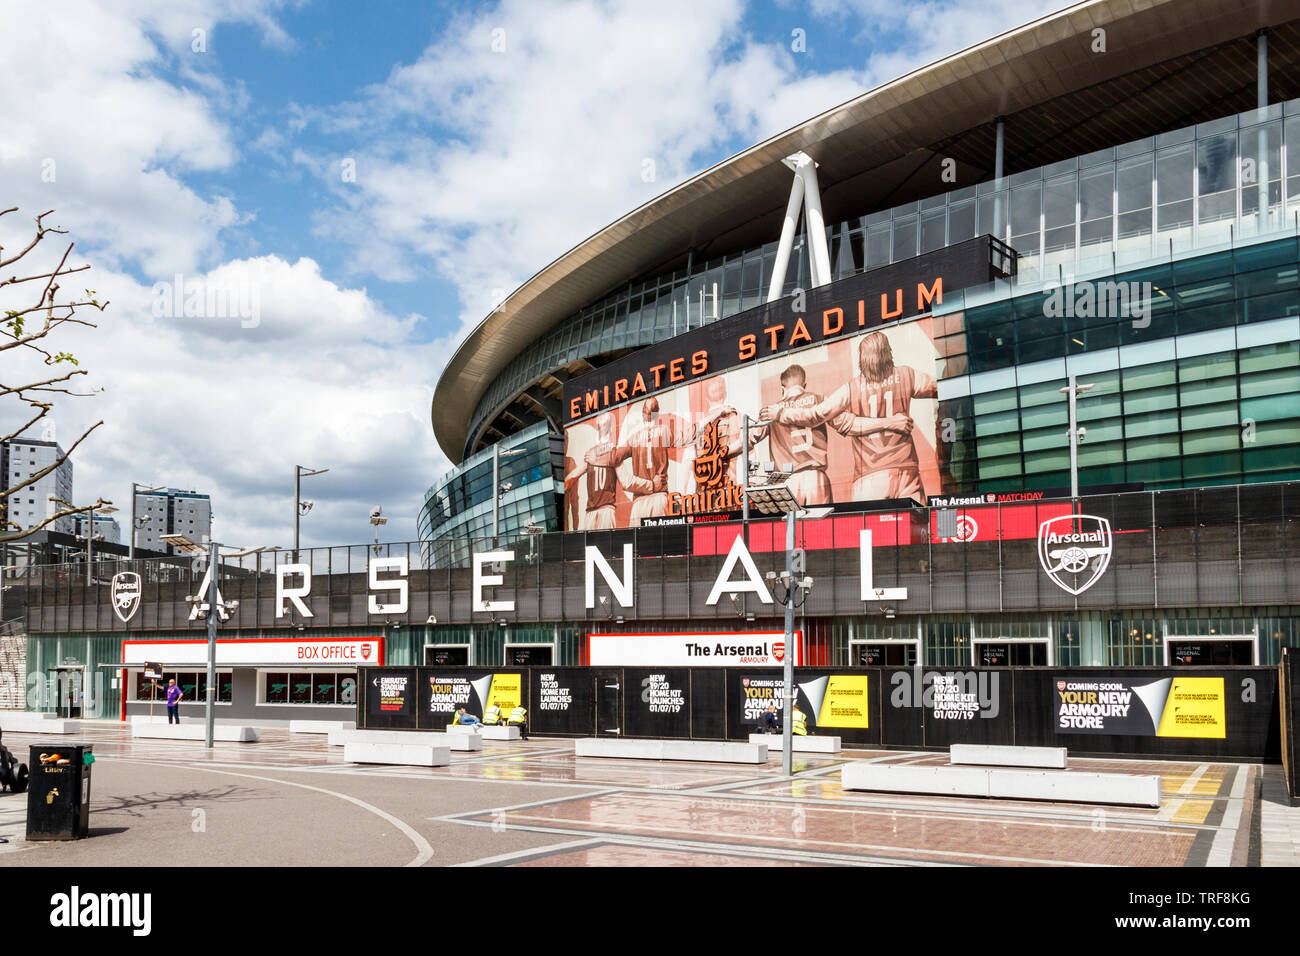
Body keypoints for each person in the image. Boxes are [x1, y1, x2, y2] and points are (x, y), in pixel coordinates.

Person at [762, 331, 937, 505]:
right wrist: (890, 422)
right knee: (917, 524)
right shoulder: (907, 375)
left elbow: (817, 415)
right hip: (906, 469)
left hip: (868, 475)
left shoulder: (851, 388)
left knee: (865, 529)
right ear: (888, 352)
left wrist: (781, 413)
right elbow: (940, 385)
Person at [747, 364, 833, 506]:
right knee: (821, 526)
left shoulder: (771, 410)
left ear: (782, 389)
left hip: (787, 481)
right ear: (804, 384)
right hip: (816, 477)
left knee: (790, 527)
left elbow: (751, 437)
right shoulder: (819, 399)